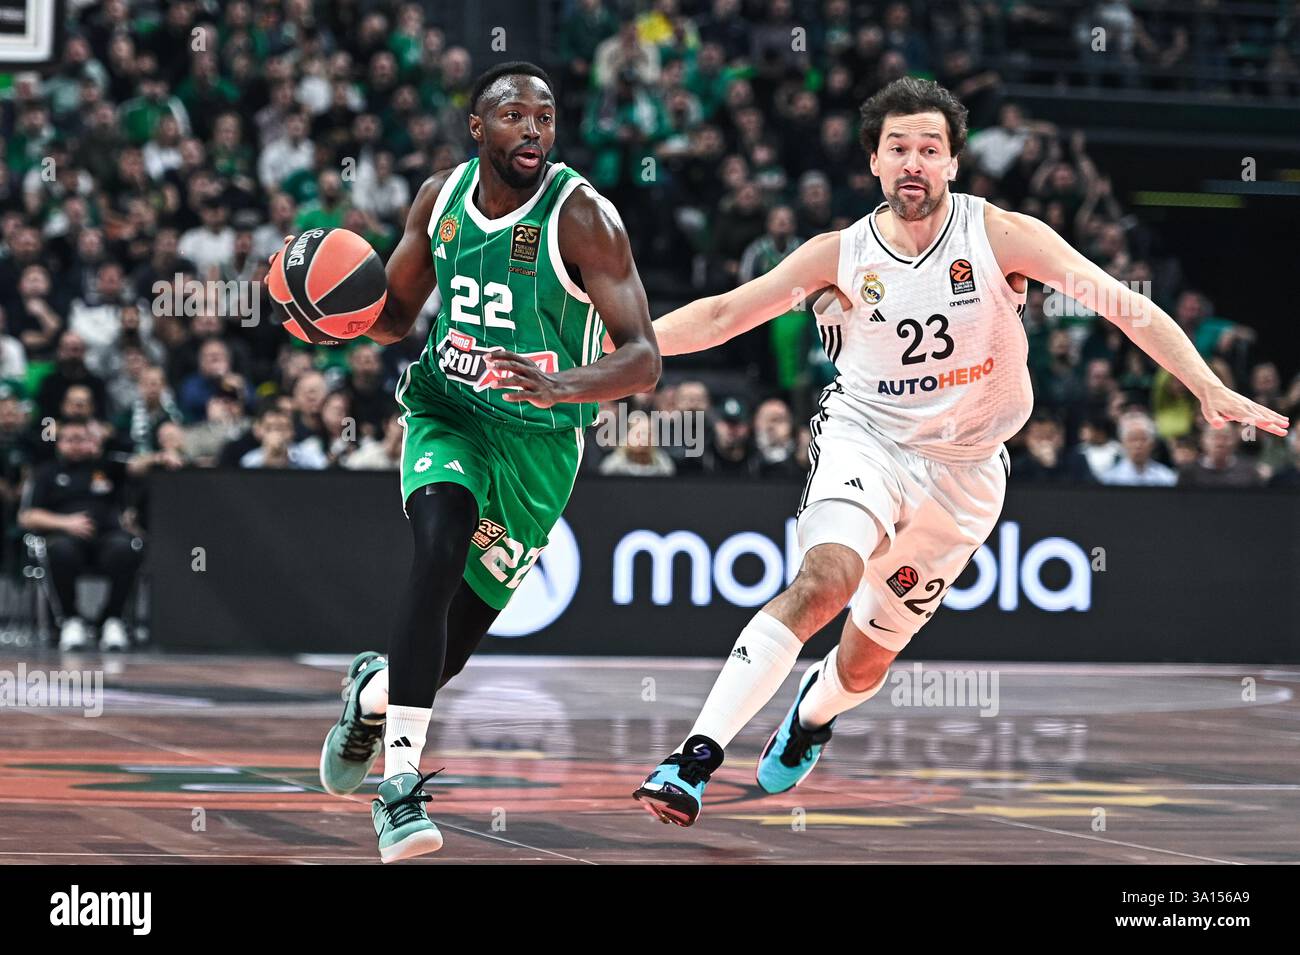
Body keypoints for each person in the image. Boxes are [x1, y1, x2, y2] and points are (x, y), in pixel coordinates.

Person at [627, 76, 1288, 827]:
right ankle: (692, 759)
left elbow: (1120, 302)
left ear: (953, 164)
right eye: (898, 147)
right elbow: (720, 315)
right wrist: (618, 343)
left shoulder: (1000, 234)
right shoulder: (838, 254)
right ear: (874, 162)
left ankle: (811, 715)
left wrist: (1204, 385)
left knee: (866, 656)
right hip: (869, 439)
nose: (914, 161)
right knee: (825, 580)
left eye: (930, 149)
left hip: (968, 473)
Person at [306, 62, 660, 862]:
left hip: (538, 442)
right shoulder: (439, 200)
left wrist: (560, 383)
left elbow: (644, 360)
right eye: (514, 115)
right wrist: (333, 314)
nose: (533, 128)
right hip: (449, 409)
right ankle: (397, 789)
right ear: (478, 128)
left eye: (545, 116)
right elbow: (395, 315)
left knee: (450, 647)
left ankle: (370, 694)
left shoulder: (585, 219)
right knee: (438, 549)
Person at [17, 418, 145, 652]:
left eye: (82, 439)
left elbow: (139, 465)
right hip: (66, 537)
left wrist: (109, 441)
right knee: (59, 550)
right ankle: (70, 620)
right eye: (70, 440)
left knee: (126, 548)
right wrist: (65, 522)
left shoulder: (107, 467)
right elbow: (27, 516)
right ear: (59, 443)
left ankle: (111, 619)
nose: (76, 445)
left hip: (106, 537)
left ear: (93, 442)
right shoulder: (47, 472)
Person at [1098, 411, 1177, 486]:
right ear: (1123, 442)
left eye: (1143, 439)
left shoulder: (1166, 478)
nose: (1138, 444)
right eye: (1133, 439)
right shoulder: (1110, 479)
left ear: (1152, 444)